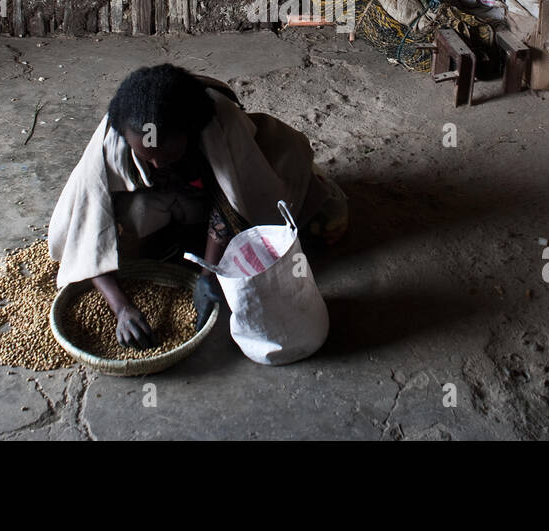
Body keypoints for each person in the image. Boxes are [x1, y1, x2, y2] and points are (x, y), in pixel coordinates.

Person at [48, 64, 348, 349]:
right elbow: (86, 234)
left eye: (166, 153)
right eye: (147, 157)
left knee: (307, 213)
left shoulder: (219, 122)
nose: (156, 163)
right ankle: (180, 233)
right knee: (134, 224)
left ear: (190, 132)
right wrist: (122, 308)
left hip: (220, 185)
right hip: (169, 197)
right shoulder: (112, 141)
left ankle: (317, 183)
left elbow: (232, 196)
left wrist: (208, 275)